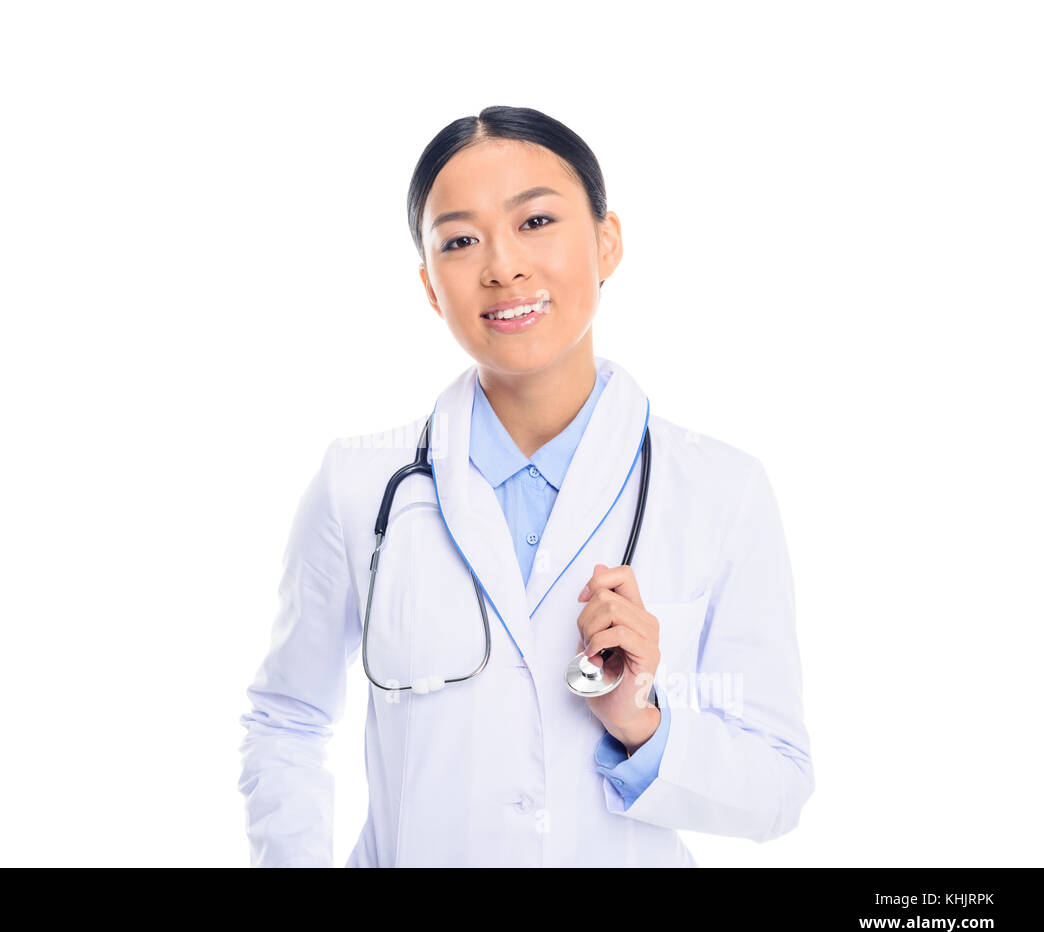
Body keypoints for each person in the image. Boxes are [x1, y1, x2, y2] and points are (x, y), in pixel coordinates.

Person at [237, 105, 813, 867]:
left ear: (608, 242)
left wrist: (641, 720)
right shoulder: (358, 484)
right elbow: (288, 718)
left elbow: (778, 783)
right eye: (461, 240)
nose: (502, 265)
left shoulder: (722, 490)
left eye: (535, 221)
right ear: (429, 286)